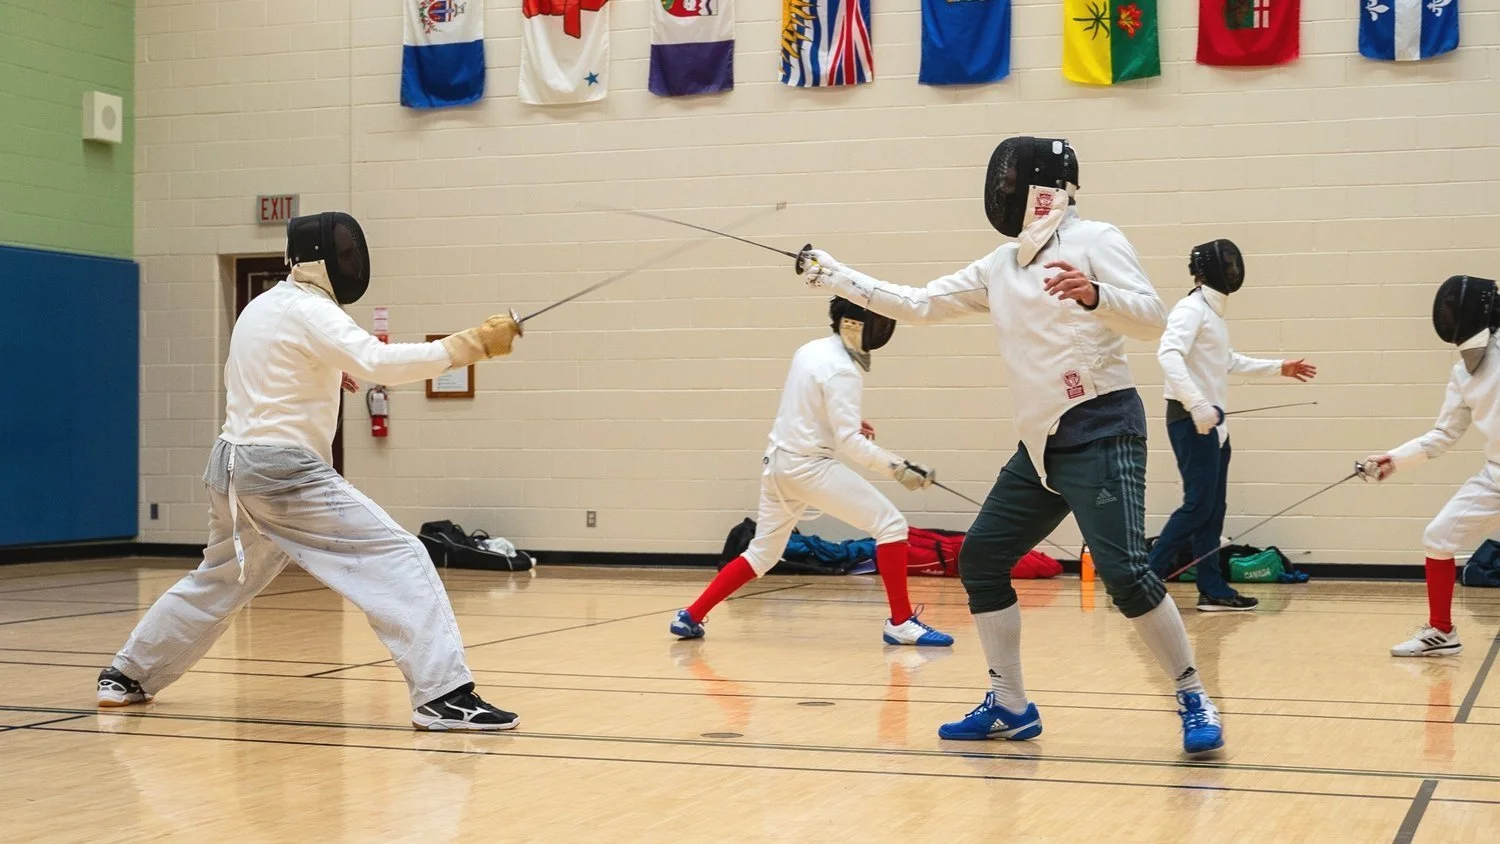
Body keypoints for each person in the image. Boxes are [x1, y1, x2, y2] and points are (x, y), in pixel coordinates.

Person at [802, 137, 1224, 754]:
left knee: (1127, 574)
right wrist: (834, 275)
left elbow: (1155, 318)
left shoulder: (1097, 239)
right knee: (980, 560)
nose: (1001, 194)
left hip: (1102, 427)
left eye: (1009, 183)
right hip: (1039, 444)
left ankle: (1192, 694)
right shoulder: (1001, 265)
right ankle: (1011, 704)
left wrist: (1094, 293)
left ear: (1042, 188)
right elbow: (919, 303)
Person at [96, 211, 525, 731]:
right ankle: (444, 697)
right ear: (324, 262)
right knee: (402, 554)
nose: (352, 263)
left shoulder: (265, 305)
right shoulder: (311, 312)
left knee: (221, 578)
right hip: (280, 471)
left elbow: (262, 370)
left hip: (229, 465)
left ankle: (126, 676)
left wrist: (326, 370)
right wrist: (471, 345)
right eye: (345, 254)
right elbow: (379, 363)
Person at [670, 298, 955, 647]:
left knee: (763, 553)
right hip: (808, 468)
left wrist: (840, 421)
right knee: (891, 525)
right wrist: (898, 468)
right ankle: (901, 623)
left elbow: (806, 404)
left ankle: (691, 616)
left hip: (777, 465)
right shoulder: (844, 371)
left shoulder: (811, 350)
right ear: (853, 324)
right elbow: (851, 444)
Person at [1150, 239, 1318, 611]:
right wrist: (1196, 405)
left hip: (1212, 426)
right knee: (1197, 506)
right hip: (1191, 420)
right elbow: (1168, 354)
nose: (1232, 270)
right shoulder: (1190, 309)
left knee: (1213, 509)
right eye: (1225, 264)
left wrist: (1279, 368)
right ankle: (1144, 579)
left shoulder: (1213, 315)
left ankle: (1212, 587)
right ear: (1207, 269)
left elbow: (1226, 361)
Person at [1363, 274, 1500, 658]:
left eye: (1456, 309)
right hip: (1496, 475)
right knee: (1439, 538)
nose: (1450, 316)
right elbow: (1443, 434)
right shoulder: (1464, 373)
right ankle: (1442, 631)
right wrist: (1393, 460)